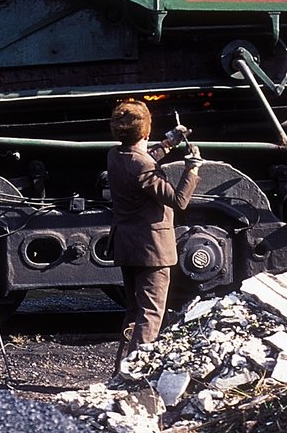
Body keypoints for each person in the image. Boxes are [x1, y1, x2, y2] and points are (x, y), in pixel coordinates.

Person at [107, 100, 202, 372]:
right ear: (146, 133)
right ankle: (136, 375)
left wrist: (169, 142)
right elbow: (179, 200)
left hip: (127, 246)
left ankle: (122, 369)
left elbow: (143, 160)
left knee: (134, 312)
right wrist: (191, 169)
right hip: (152, 249)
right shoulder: (142, 165)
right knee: (151, 314)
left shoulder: (114, 156)